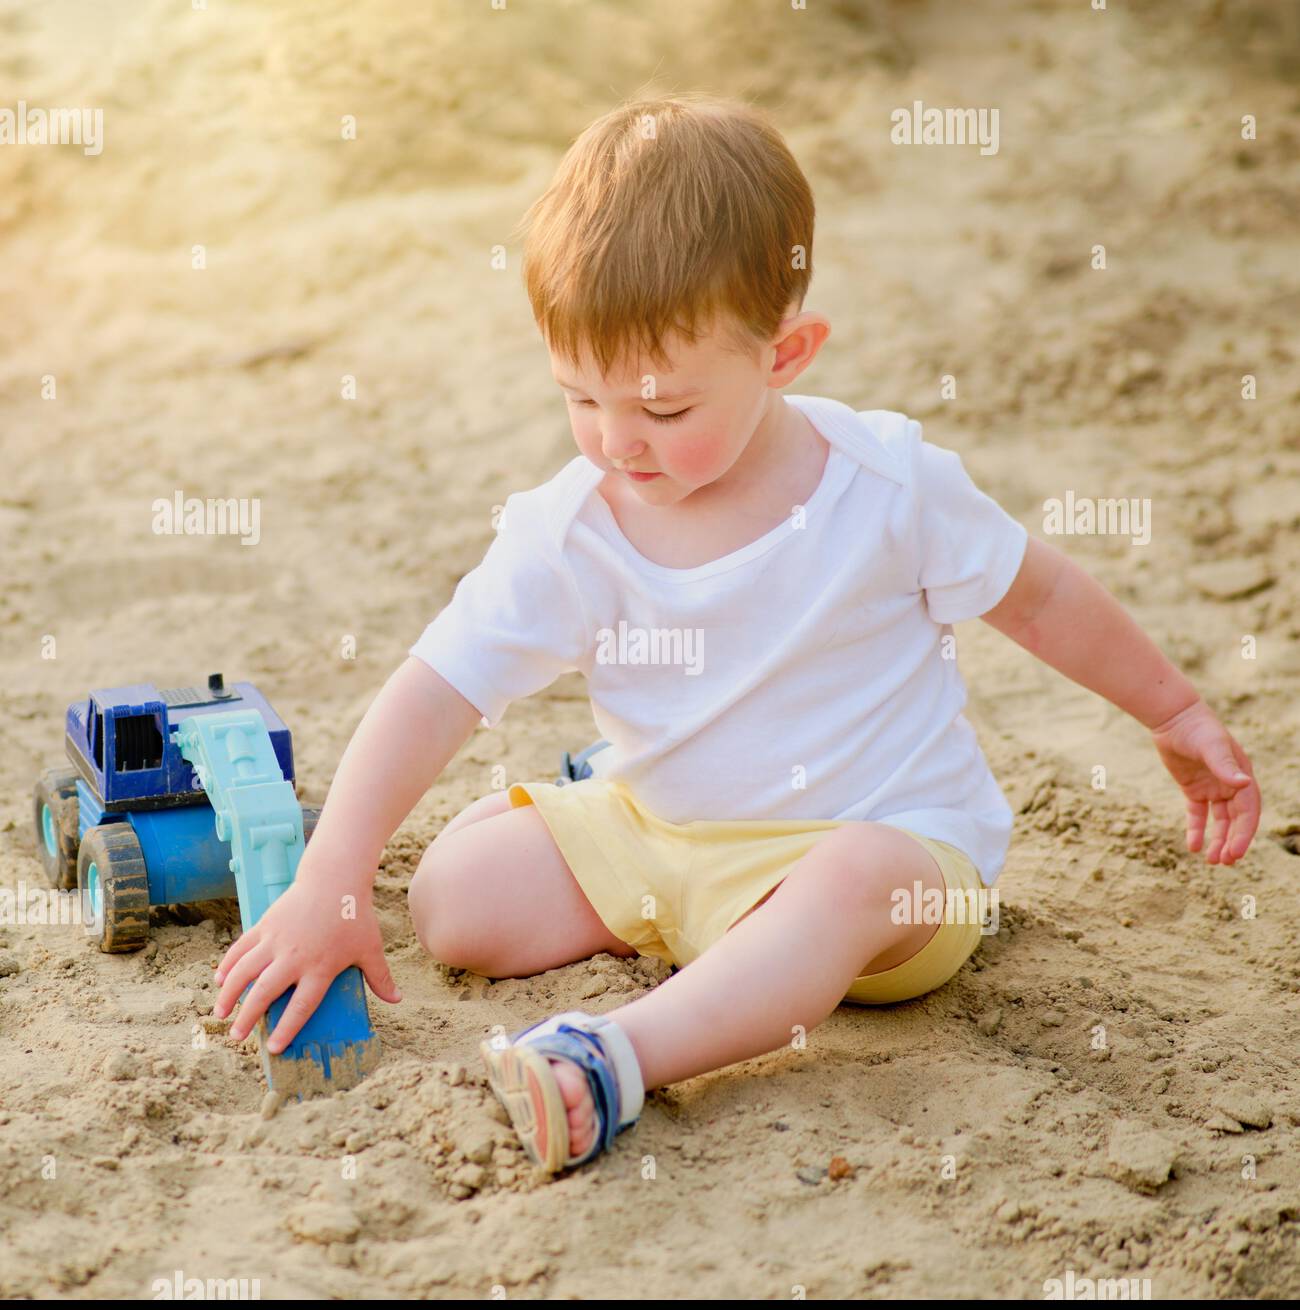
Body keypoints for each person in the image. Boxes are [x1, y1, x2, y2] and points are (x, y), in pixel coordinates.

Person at [212, 94, 1261, 1174]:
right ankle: (618, 827)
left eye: (664, 410)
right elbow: (437, 685)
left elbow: (1034, 597)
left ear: (785, 353)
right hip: (672, 835)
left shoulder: (885, 485)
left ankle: (616, 1055)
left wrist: (1172, 711)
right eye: (580, 397)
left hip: (893, 858)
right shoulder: (572, 530)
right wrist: (332, 878)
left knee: (848, 880)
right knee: (454, 901)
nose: (619, 443)